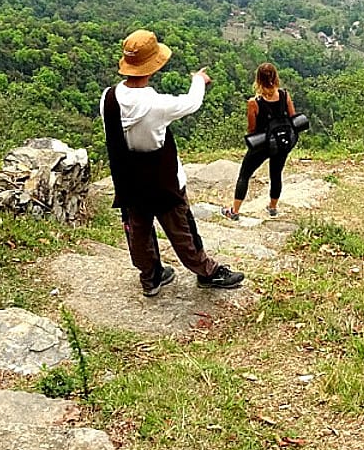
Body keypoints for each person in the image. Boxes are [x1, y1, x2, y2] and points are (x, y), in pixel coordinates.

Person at [100, 29, 244, 297]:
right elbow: (191, 103)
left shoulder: (108, 98)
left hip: (128, 180)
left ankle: (151, 276)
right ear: (152, 66)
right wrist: (198, 80)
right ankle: (206, 272)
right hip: (163, 180)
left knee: (139, 230)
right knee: (181, 229)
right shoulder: (157, 104)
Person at [224, 62, 296, 220]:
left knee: (245, 174)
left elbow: (252, 127)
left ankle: (235, 212)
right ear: (275, 77)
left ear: (258, 79)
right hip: (282, 142)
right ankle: (272, 207)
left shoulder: (254, 102)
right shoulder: (284, 95)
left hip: (263, 143)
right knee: (276, 174)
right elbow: (293, 117)